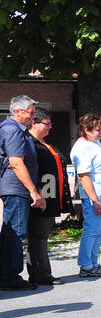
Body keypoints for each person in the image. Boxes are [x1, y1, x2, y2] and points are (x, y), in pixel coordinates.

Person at [0, 94, 44, 289]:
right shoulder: (13, 130)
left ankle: (7, 275)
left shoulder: (15, 129)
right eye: (31, 113)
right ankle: (11, 278)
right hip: (16, 188)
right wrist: (33, 191)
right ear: (17, 112)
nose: (33, 117)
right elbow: (16, 162)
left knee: (11, 233)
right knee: (15, 234)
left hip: (15, 187)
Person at [26, 108, 70, 285]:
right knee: (38, 236)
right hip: (40, 197)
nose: (51, 127)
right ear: (34, 123)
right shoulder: (30, 143)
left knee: (42, 235)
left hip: (51, 196)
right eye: (47, 123)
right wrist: (36, 193)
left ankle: (40, 272)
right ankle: (41, 274)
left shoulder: (45, 143)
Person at [70, 114, 101, 278]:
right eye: (98, 130)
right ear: (86, 130)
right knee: (92, 229)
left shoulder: (95, 143)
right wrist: (95, 200)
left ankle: (94, 262)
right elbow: (84, 176)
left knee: (100, 229)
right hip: (94, 194)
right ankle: (86, 265)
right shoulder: (82, 147)